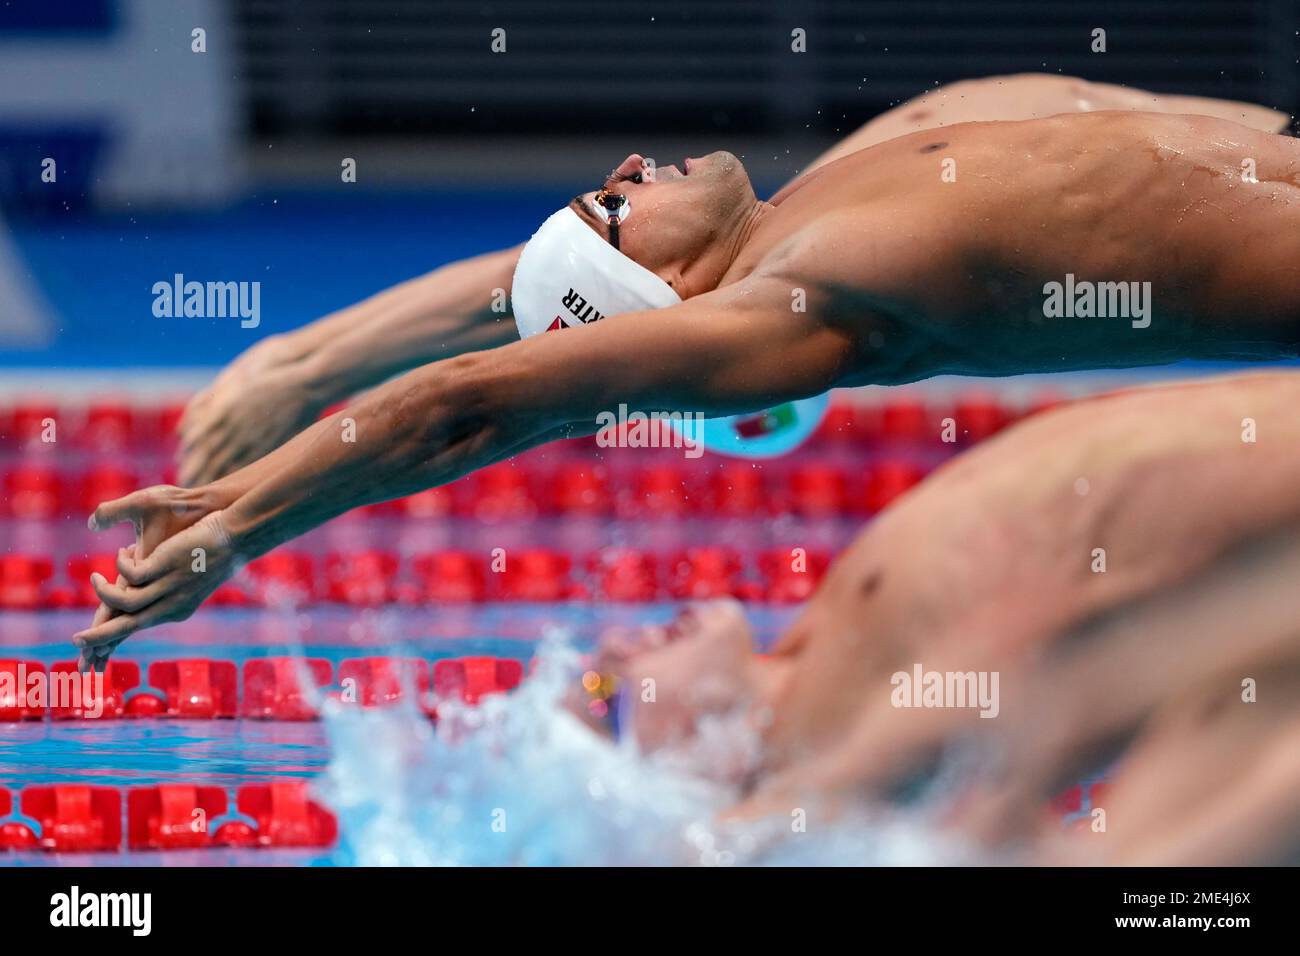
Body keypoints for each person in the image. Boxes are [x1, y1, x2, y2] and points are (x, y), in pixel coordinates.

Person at [77, 77, 1300, 664]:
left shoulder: (819, 197)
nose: (630, 162)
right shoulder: (799, 298)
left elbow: (514, 294)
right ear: (665, 299)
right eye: (616, 203)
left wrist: (301, 362)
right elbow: (459, 404)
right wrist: (233, 524)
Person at [585, 370, 1300, 865]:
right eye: (604, 700)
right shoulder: (848, 732)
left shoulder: (824, 651)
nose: (612, 648)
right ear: (696, 770)